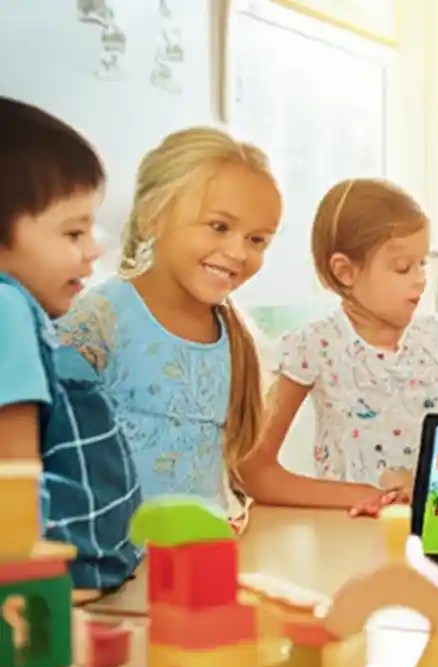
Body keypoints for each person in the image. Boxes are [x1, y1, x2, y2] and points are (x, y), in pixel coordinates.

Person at [58, 127, 281, 530]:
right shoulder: (102, 319)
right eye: (218, 226)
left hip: (200, 562)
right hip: (115, 571)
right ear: (152, 216)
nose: (237, 252)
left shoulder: (234, 336)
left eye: (257, 240)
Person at [240, 178, 438, 509]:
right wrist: (366, 497)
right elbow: (255, 471)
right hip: (344, 534)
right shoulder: (312, 347)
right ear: (345, 272)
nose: (420, 279)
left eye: (422, 263)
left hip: (432, 533)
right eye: (402, 268)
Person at [0, 97, 141, 591]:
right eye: (73, 231)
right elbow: (13, 493)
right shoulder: (7, 309)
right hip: (56, 588)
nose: (95, 247)